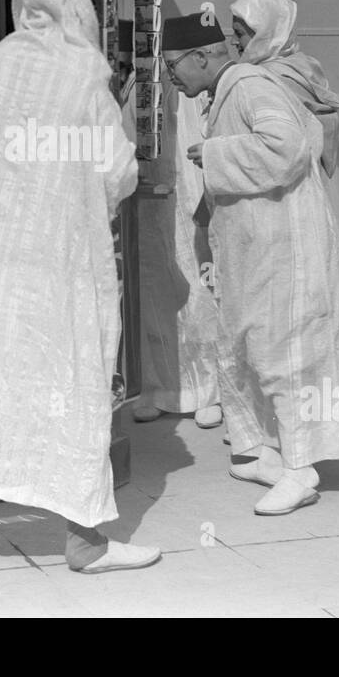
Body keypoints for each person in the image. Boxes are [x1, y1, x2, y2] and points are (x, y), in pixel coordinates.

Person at [0, 0, 160, 573]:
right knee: (71, 382)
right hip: (60, 271)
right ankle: (83, 542)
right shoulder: (85, 77)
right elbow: (116, 174)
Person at [164, 11, 339, 516]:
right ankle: (261, 449)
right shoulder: (228, 88)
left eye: (174, 64)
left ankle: (301, 470)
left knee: (286, 356)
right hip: (252, 249)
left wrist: (215, 154)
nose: (170, 76)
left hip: (284, 250)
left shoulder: (251, 85)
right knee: (244, 348)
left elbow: (288, 148)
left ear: (204, 56)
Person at [133, 58, 225, 429]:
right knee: (156, 288)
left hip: (190, 195)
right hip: (151, 202)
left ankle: (209, 390)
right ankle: (159, 388)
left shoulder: (195, 90)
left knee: (199, 285)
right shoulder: (137, 84)